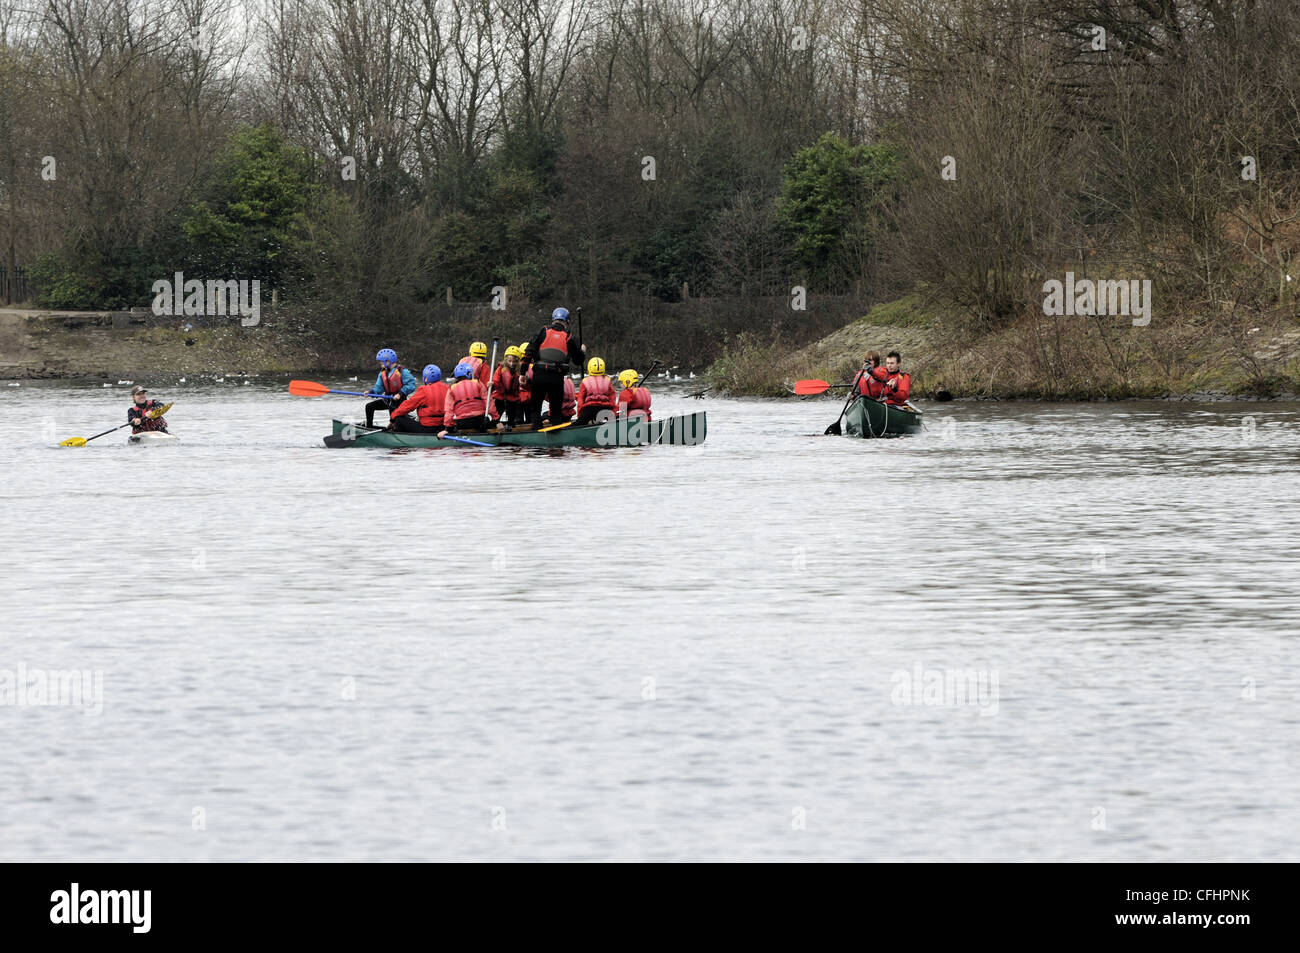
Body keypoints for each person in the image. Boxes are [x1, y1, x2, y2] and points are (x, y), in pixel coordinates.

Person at [525, 307, 584, 425]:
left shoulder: (543, 331)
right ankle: (556, 435)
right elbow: (578, 361)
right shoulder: (570, 336)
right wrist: (582, 351)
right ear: (566, 322)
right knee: (556, 410)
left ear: (553, 320)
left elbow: (529, 351)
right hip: (556, 378)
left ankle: (536, 432)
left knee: (536, 408)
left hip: (539, 376)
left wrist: (522, 372)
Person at [386, 365, 449, 433]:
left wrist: (392, 418)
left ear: (426, 378)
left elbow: (407, 406)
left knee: (398, 419)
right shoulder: (448, 388)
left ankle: (400, 437)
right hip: (443, 426)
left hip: (428, 428)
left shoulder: (424, 390)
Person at [365, 348, 418, 427]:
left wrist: (400, 393)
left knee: (395, 419)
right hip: (387, 400)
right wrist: (371, 392)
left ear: (388, 361)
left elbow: (411, 385)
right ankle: (369, 427)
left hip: (399, 401)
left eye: (381, 361)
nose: (380, 363)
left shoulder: (402, 372)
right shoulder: (382, 373)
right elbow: (379, 388)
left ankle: (404, 423)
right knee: (369, 406)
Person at [440, 361, 497, 434]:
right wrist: (496, 420)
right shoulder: (478, 383)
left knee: (455, 426)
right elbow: (489, 402)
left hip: (462, 423)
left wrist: (447, 429)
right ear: (469, 374)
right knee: (489, 423)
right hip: (480, 421)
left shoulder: (451, 389)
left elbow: (449, 411)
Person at [574, 358, 618, 426]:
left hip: (590, 410)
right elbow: (612, 397)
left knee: (579, 423)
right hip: (605, 409)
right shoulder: (608, 380)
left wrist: (580, 416)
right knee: (613, 420)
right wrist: (613, 412)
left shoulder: (585, 381)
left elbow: (580, 400)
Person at [491, 346, 527, 426]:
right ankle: (494, 426)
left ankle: (511, 429)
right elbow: (496, 380)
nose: (511, 364)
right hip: (500, 397)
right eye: (509, 361)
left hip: (512, 398)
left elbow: (523, 384)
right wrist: (492, 384)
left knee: (512, 419)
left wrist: (525, 382)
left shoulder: (520, 371)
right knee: (496, 417)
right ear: (506, 360)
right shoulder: (501, 368)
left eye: (514, 362)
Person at [516, 342, 533, 424]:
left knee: (519, 420)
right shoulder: (532, 367)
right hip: (530, 398)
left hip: (519, 398)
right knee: (530, 419)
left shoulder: (517, 366)